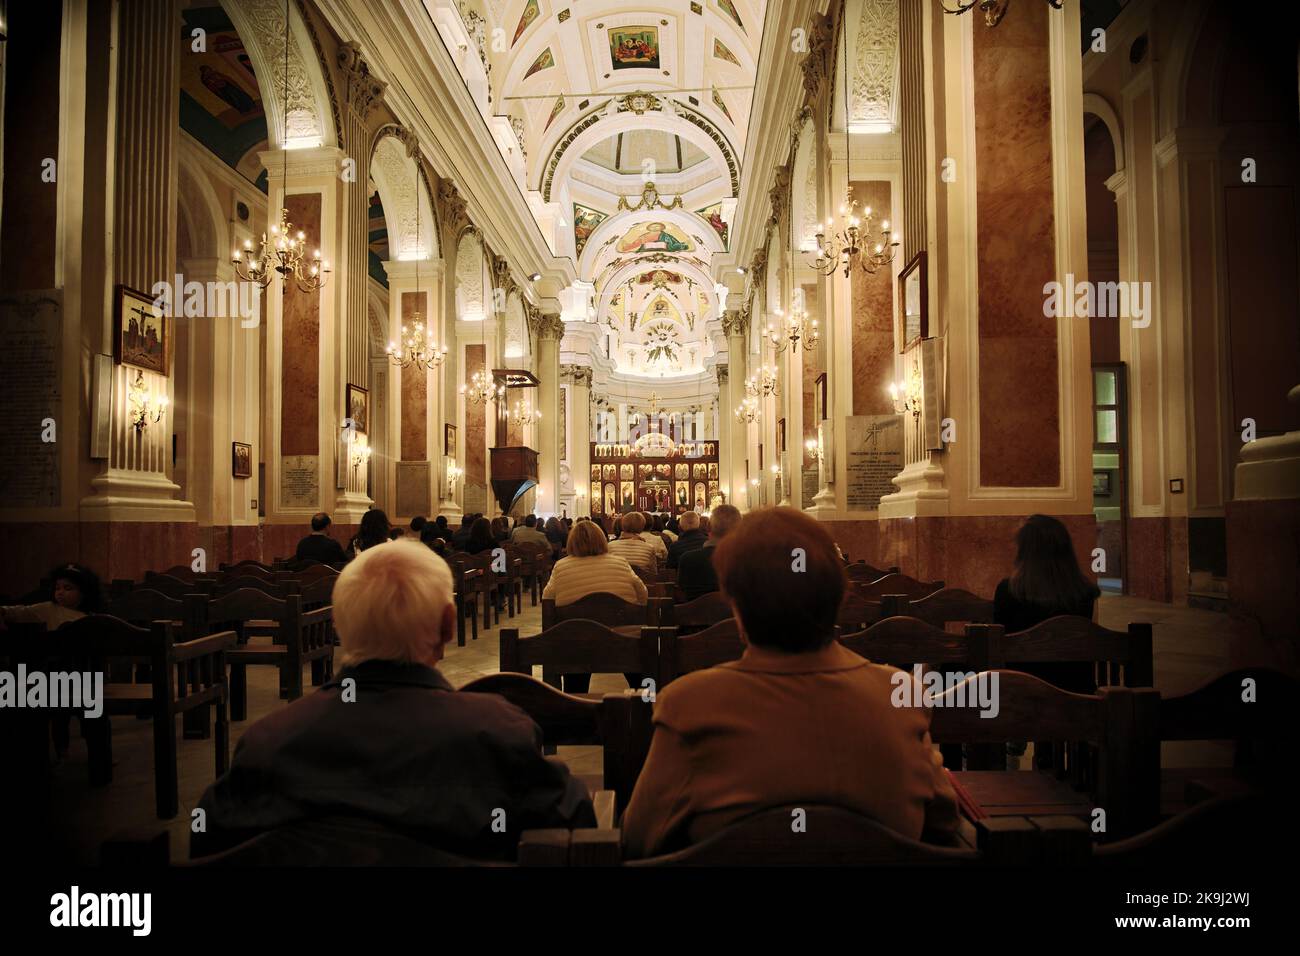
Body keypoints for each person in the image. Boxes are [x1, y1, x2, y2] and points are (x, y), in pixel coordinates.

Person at [192, 541, 595, 860]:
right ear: (448, 625)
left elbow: (208, 840)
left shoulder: (267, 743)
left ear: (339, 625)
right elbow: (576, 826)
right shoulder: (497, 732)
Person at [620, 508, 959, 858]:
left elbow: (640, 838)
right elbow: (944, 823)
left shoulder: (688, 704)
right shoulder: (900, 694)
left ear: (736, 607)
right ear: (840, 598)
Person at [994, 514, 1102, 694]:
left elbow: (999, 645)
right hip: (1076, 691)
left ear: (1024, 551)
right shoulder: (1084, 593)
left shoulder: (1009, 590)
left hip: (1021, 691)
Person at [541, 521, 648, 694]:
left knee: (575, 662)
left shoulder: (561, 566)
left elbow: (547, 600)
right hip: (623, 641)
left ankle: (575, 705)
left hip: (578, 643)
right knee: (641, 675)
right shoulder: (620, 562)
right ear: (602, 540)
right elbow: (643, 595)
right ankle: (647, 706)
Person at [0, 563, 102, 631]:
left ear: (83, 592)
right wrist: (3, 611)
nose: (60, 592)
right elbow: (22, 612)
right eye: (57, 588)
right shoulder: (49, 608)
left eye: (67, 588)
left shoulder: (91, 615)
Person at [676, 504, 741, 600]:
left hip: (694, 614)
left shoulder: (687, 559)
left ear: (708, 527)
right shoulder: (747, 561)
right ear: (739, 528)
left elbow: (681, 591)